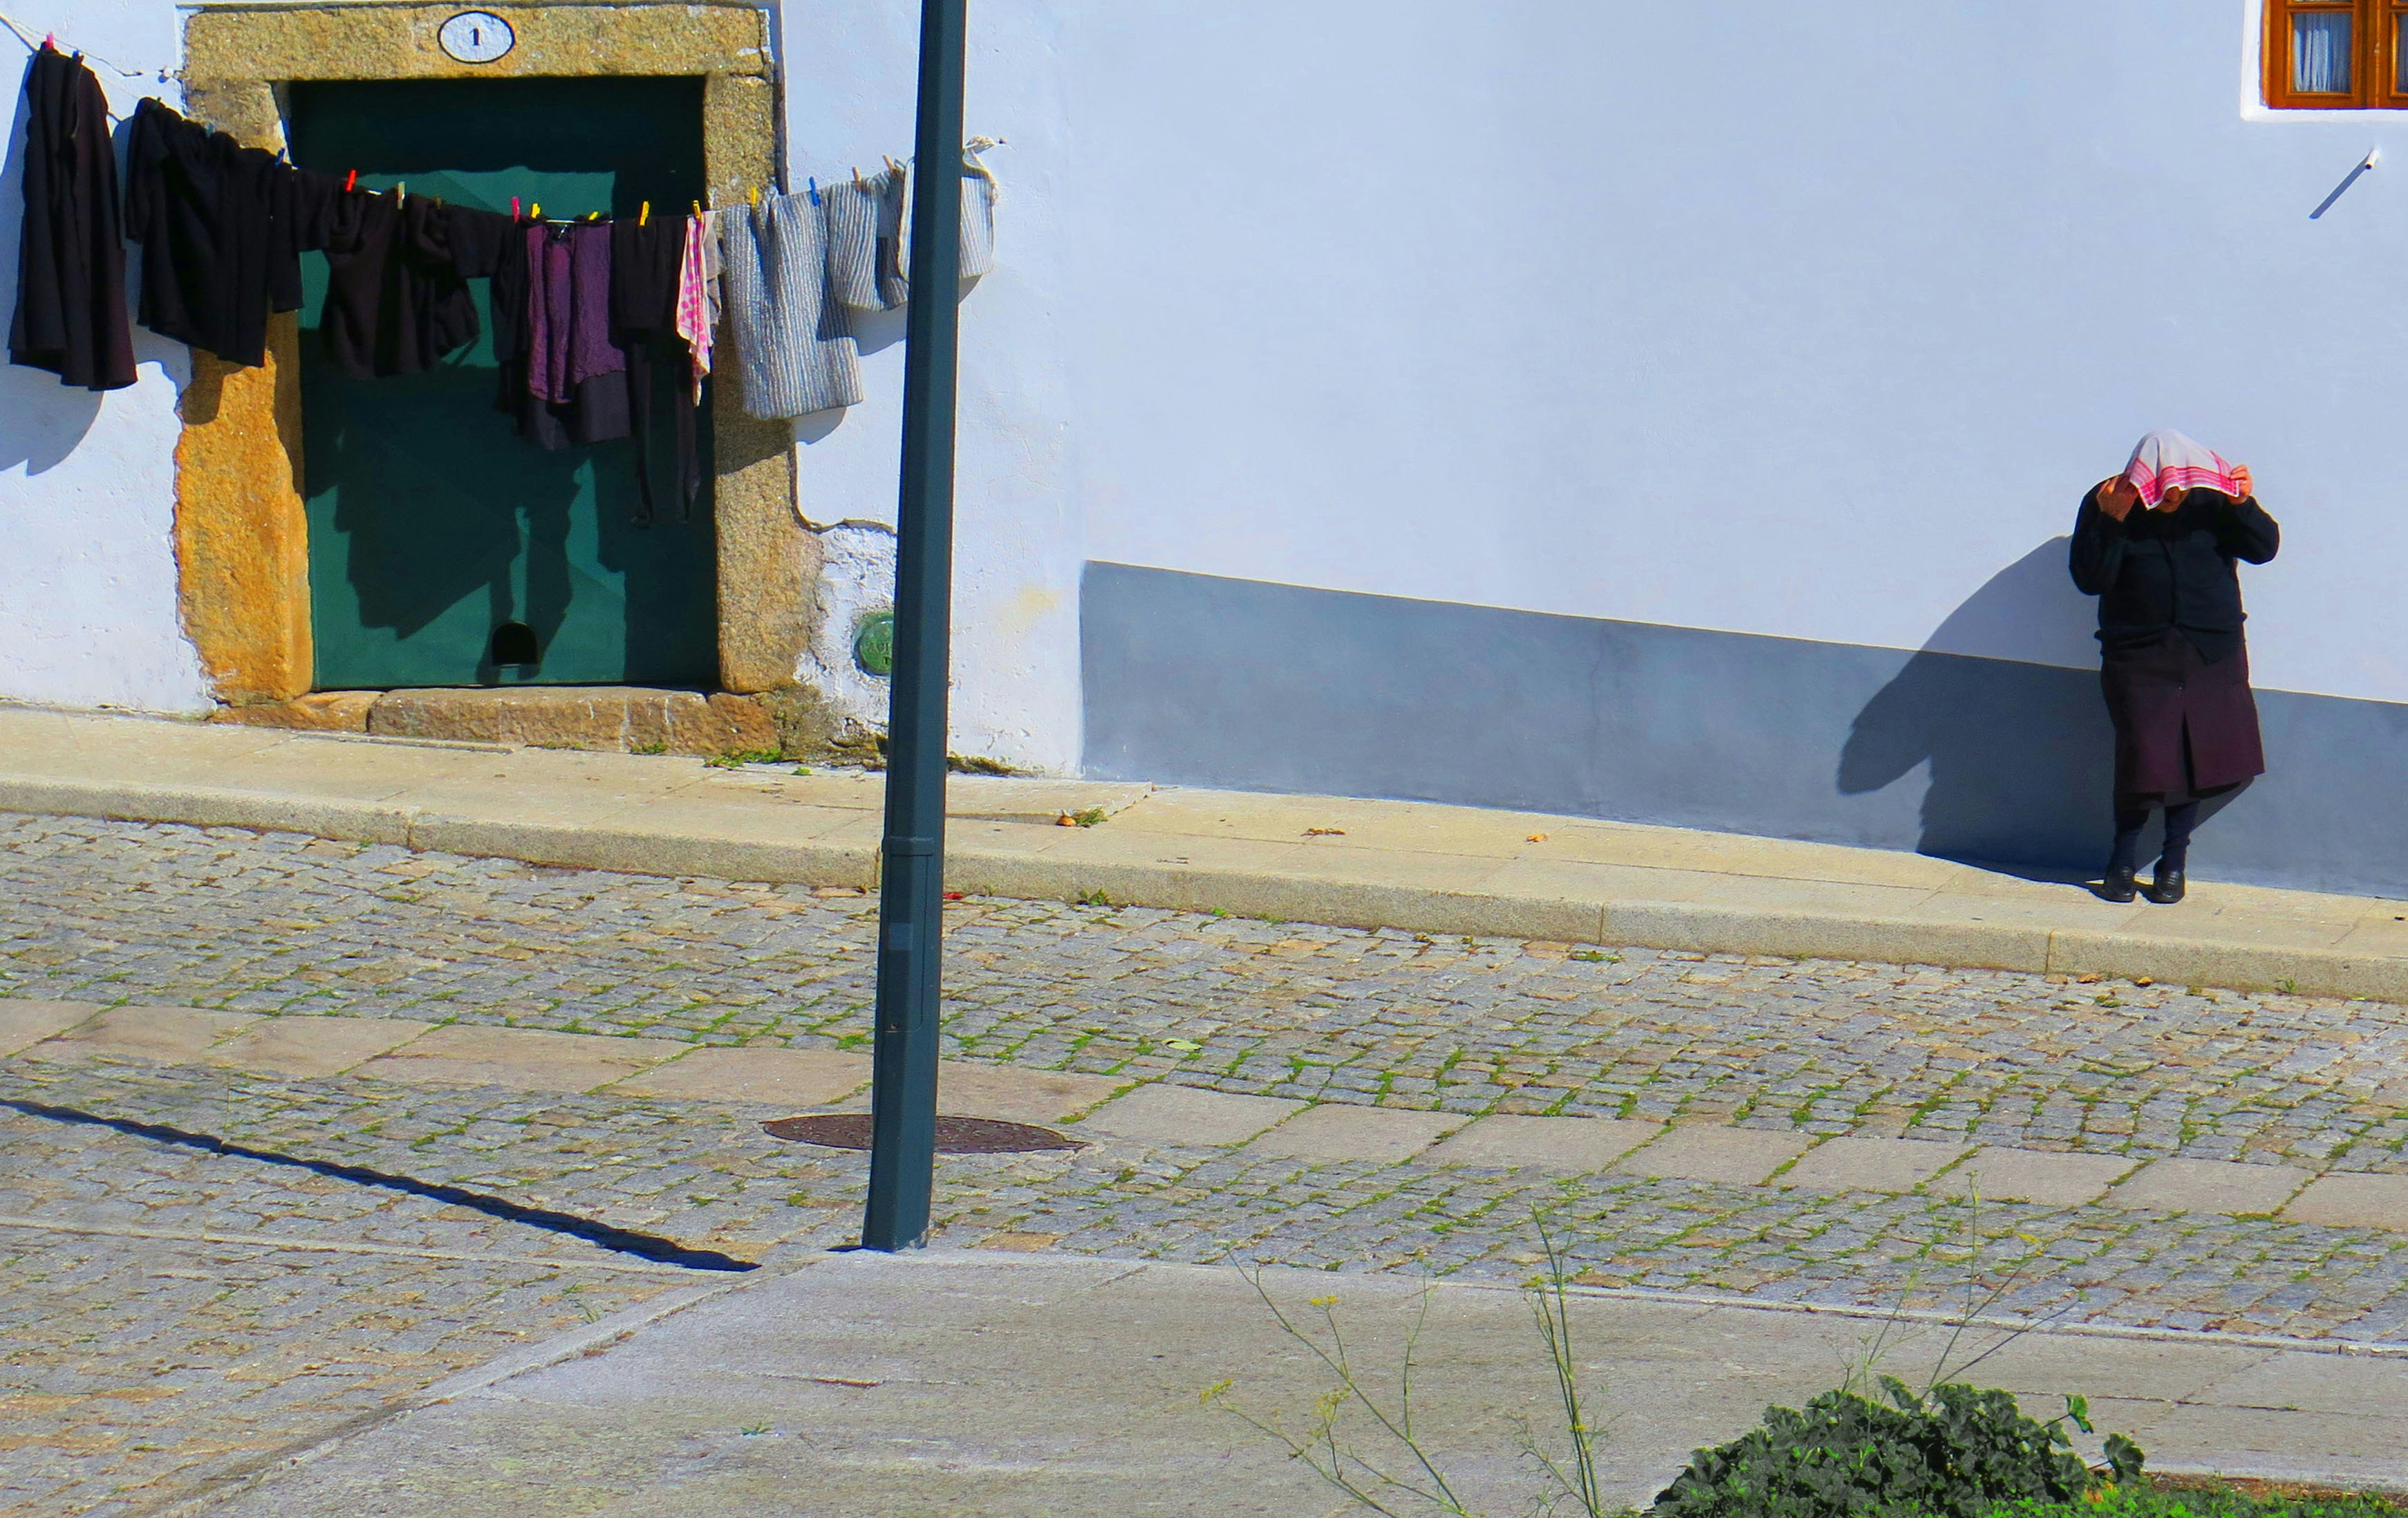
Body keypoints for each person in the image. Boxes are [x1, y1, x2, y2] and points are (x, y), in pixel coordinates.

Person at [2069, 431, 2279, 905]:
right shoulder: (2110, 497)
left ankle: (2173, 862)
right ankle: (2120, 862)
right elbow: (2089, 578)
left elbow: (2263, 548)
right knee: (2142, 753)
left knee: (2196, 755)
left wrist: (2244, 504)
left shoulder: (2212, 497)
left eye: (2179, 485)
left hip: (2210, 648)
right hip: (2137, 650)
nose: (2172, 495)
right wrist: (2111, 521)